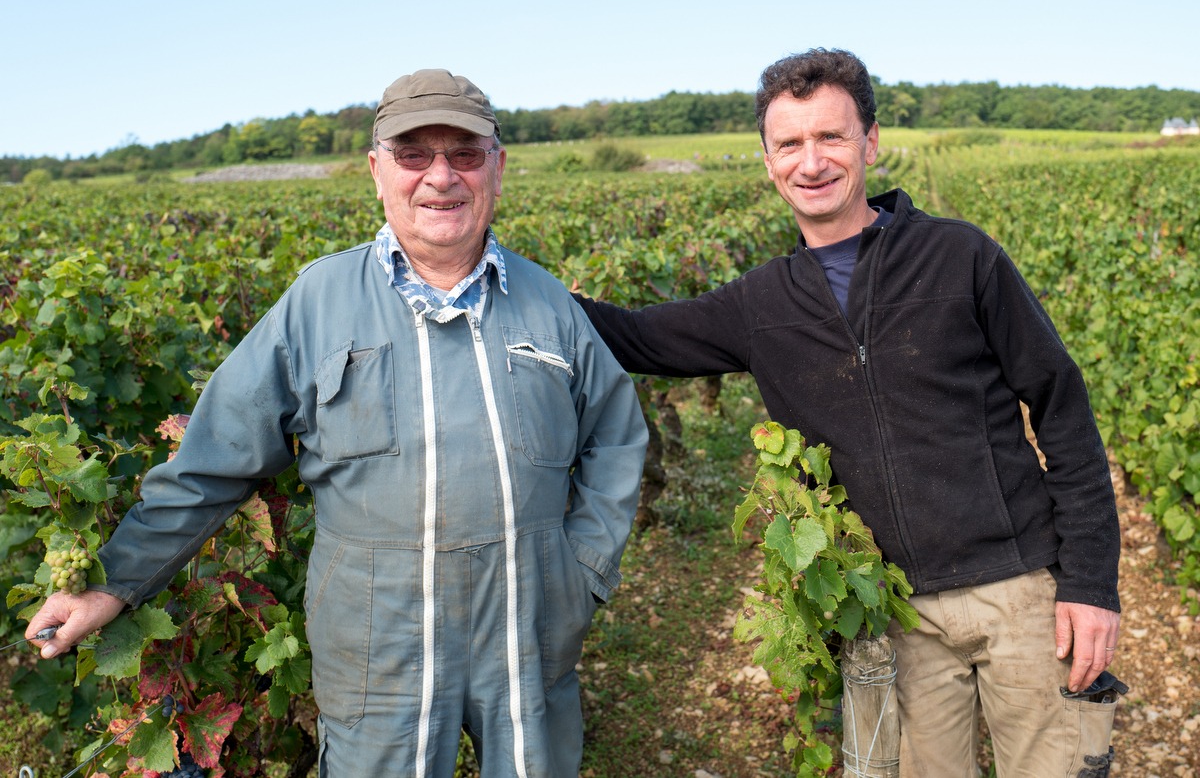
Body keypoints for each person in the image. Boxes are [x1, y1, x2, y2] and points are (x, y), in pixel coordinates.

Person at [28, 69, 648, 778]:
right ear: (377, 171)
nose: (440, 177)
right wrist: (111, 583)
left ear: (498, 169)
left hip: (531, 623)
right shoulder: (316, 303)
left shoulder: (550, 304)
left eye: (465, 154)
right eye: (414, 154)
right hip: (377, 639)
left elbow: (616, 434)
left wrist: (583, 570)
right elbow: (213, 459)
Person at [572, 49, 1122, 777]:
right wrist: (506, 280)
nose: (812, 161)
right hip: (888, 609)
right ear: (767, 160)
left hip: (1017, 586)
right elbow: (634, 336)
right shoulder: (759, 305)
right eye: (790, 143)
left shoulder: (961, 257)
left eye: (831, 137)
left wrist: (1090, 581)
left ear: (869, 142)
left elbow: (1062, 408)